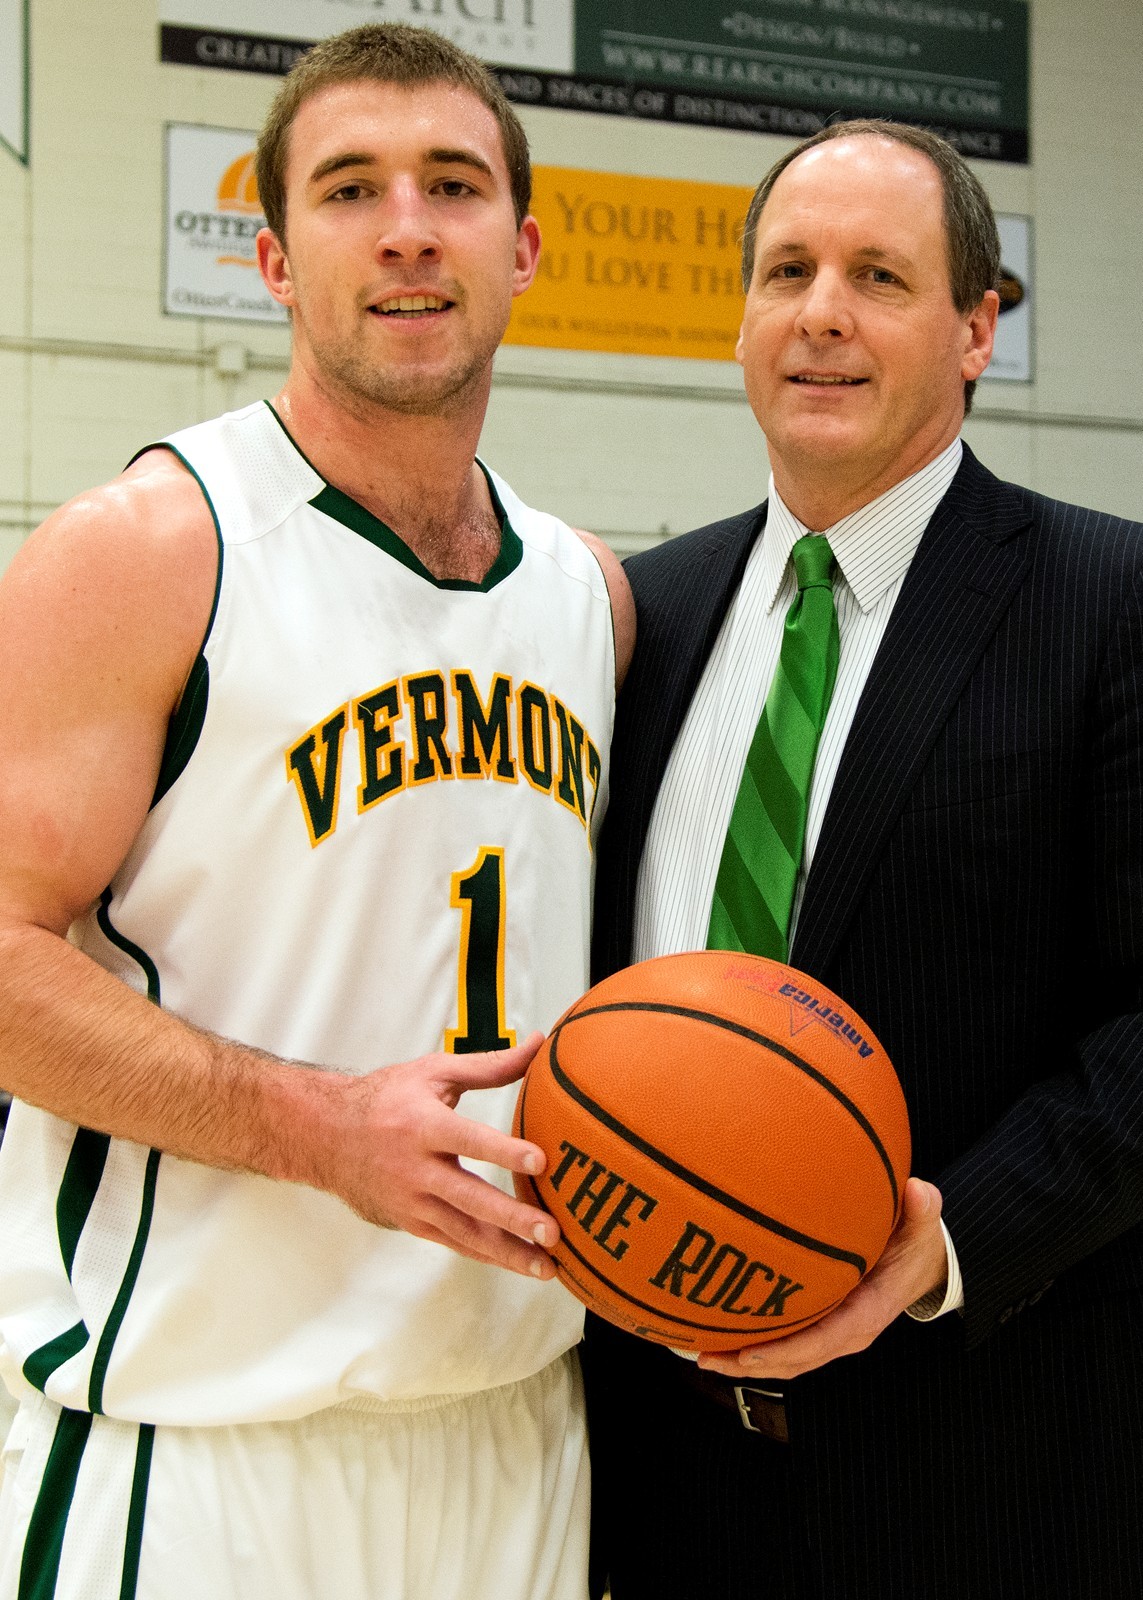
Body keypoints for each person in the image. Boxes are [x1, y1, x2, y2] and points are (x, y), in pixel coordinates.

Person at [0, 23, 633, 1600]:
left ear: (526, 246)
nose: (408, 225)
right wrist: (318, 1125)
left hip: (518, 1435)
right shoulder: (151, 547)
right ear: (273, 259)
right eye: (351, 188)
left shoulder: (592, 597)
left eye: (454, 185)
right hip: (211, 1442)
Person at [584, 119, 1143, 1600]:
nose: (821, 311)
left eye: (879, 275)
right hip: (658, 1460)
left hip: (984, 1460)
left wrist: (948, 1245)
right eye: (788, 271)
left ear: (976, 328)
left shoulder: (1110, 601)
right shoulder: (644, 613)